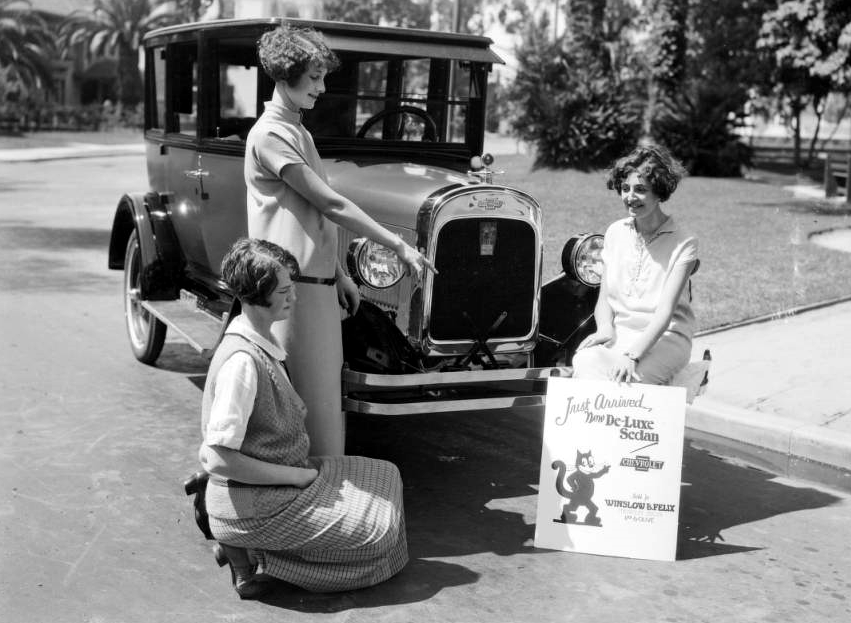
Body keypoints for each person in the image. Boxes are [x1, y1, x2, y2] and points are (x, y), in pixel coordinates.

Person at [244, 25, 436, 456]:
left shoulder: (298, 131)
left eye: (322, 76)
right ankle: (304, 503)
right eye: (312, 77)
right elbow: (330, 204)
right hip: (289, 291)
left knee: (325, 412)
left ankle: (321, 496)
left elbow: (309, 218)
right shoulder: (272, 133)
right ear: (283, 74)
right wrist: (399, 245)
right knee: (305, 416)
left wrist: (341, 277)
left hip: (315, 287)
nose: (322, 87)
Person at [196, 238, 408, 599]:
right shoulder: (242, 364)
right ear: (257, 297)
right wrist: (296, 477)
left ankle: (260, 552)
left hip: (286, 476)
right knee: (382, 531)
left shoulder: (259, 340)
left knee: (387, 475)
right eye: (284, 290)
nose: (293, 296)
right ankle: (258, 557)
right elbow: (215, 458)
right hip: (260, 504)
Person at [571, 144, 698, 385]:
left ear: (659, 192)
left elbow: (665, 312)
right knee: (584, 361)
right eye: (625, 188)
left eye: (640, 189)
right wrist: (605, 329)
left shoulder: (684, 241)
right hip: (621, 333)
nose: (630, 197)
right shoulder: (615, 232)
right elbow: (605, 298)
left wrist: (632, 355)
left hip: (667, 338)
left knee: (629, 382)